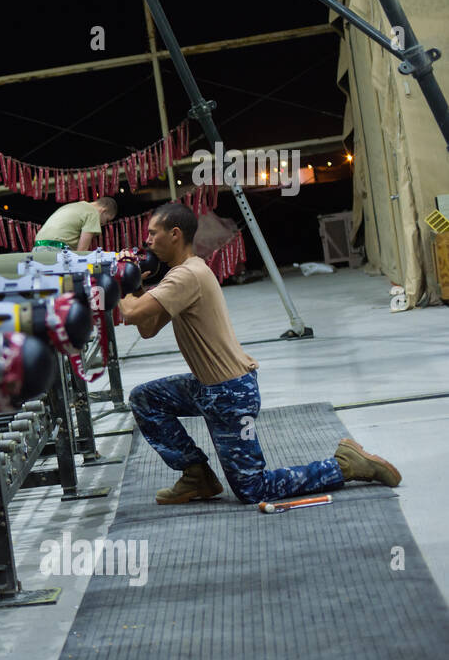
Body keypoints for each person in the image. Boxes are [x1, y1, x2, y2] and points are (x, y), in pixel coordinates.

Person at [118, 202, 400, 505]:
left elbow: (132, 314)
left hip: (230, 394)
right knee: (146, 398)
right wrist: (133, 282)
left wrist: (115, 281)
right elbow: (147, 328)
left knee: (255, 489)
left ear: (174, 234)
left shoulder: (185, 277)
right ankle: (196, 476)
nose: (146, 241)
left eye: (152, 233)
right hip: (207, 386)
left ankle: (344, 465)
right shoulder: (183, 274)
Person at [34, 196, 117, 254]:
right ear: (103, 210)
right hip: (56, 250)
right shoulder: (93, 212)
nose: (104, 224)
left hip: (37, 247)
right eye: (106, 220)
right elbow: (81, 251)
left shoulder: (76, 205)